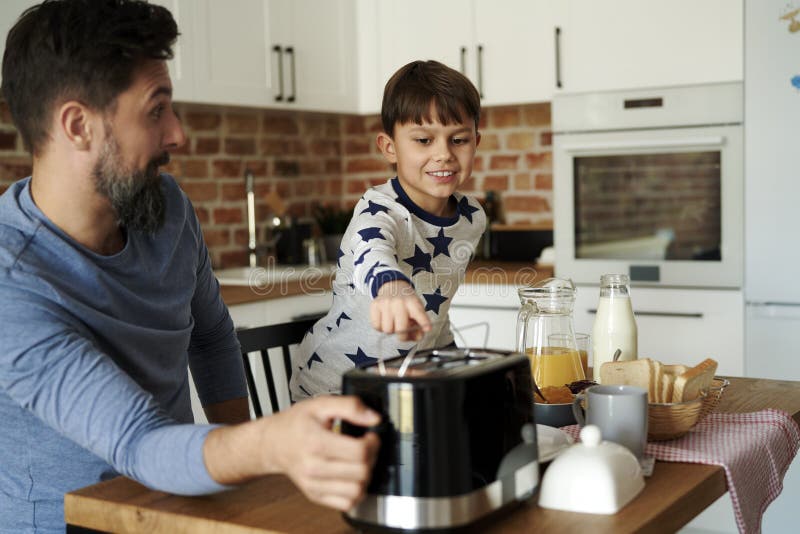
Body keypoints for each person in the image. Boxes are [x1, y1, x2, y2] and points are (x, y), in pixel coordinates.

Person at [0, 1, 379, 531]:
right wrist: (271, 445)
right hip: (67, 523)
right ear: (78, 125)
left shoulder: (166, 208)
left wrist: (248, 481)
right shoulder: (10, 279)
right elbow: (138, 439)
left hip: (173, 505)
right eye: (157, 109)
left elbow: (213, 336)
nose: (178, 134)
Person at [290, 60, 486, 398]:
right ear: (389, 148)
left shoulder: (472, 217)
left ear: (476, 142)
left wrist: (453, 362)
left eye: (458, 139)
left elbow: (436, 309)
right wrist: (391, 286)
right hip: (337, 385)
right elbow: (372, 250)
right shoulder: (378, 208)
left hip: (407, 382)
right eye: (424, 140)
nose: (443, 154)